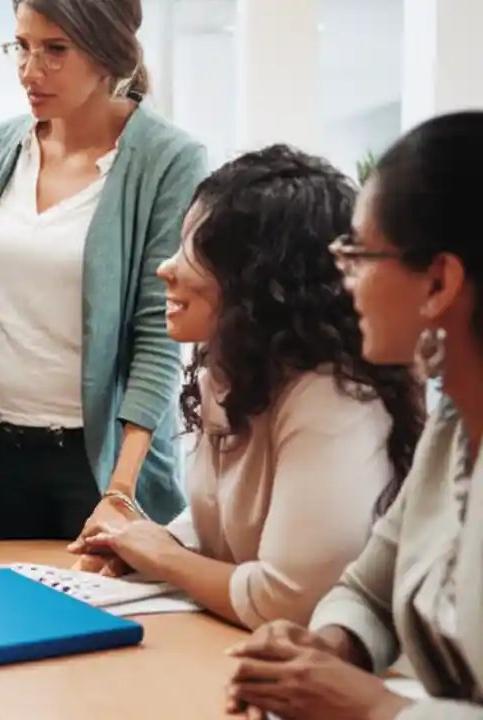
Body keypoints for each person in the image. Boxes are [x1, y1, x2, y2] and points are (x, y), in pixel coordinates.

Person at [0, 0, 206, 542]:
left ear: (107, 53)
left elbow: (158, 331)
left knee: (108, 599)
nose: (30, 71)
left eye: (55, 50)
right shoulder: (5, 145)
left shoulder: (167, 158)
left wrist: (121, 491)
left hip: (100, 464)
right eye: (22, 47)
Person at [68, 146, 424, 630]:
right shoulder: (228, 371)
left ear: (258, 275)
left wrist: (164, 557)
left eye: (194, 249)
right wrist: (149, 545)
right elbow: (224, 529)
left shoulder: (331, 394)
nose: (165, 268)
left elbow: (290, 601)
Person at [226, 113, 483, 719]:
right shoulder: (454, 425)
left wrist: (374, 707)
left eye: (358, 255)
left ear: (439, 283)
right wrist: (328, 647)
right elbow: (367, 590)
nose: (345, 282)